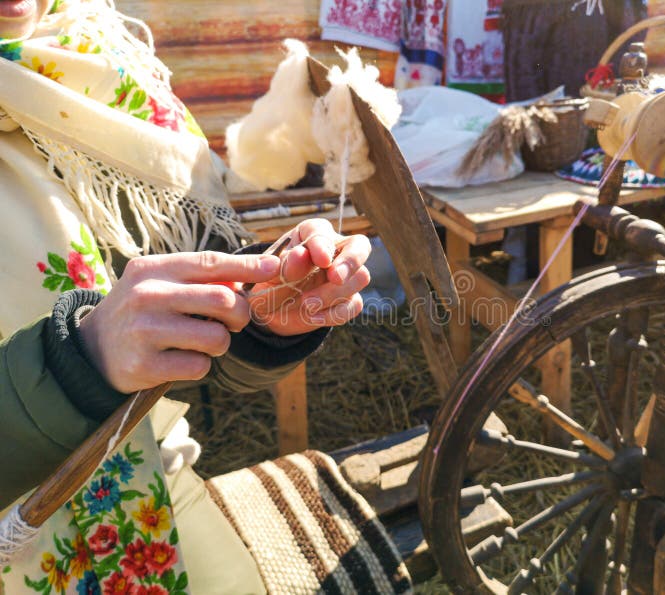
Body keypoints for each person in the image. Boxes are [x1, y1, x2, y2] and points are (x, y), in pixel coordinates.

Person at [0, 1, 409, 593]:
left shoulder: (99, 64)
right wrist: (77, 364)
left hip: (144, 476)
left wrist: (260, 319)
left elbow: (200, 349)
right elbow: (102, 350)